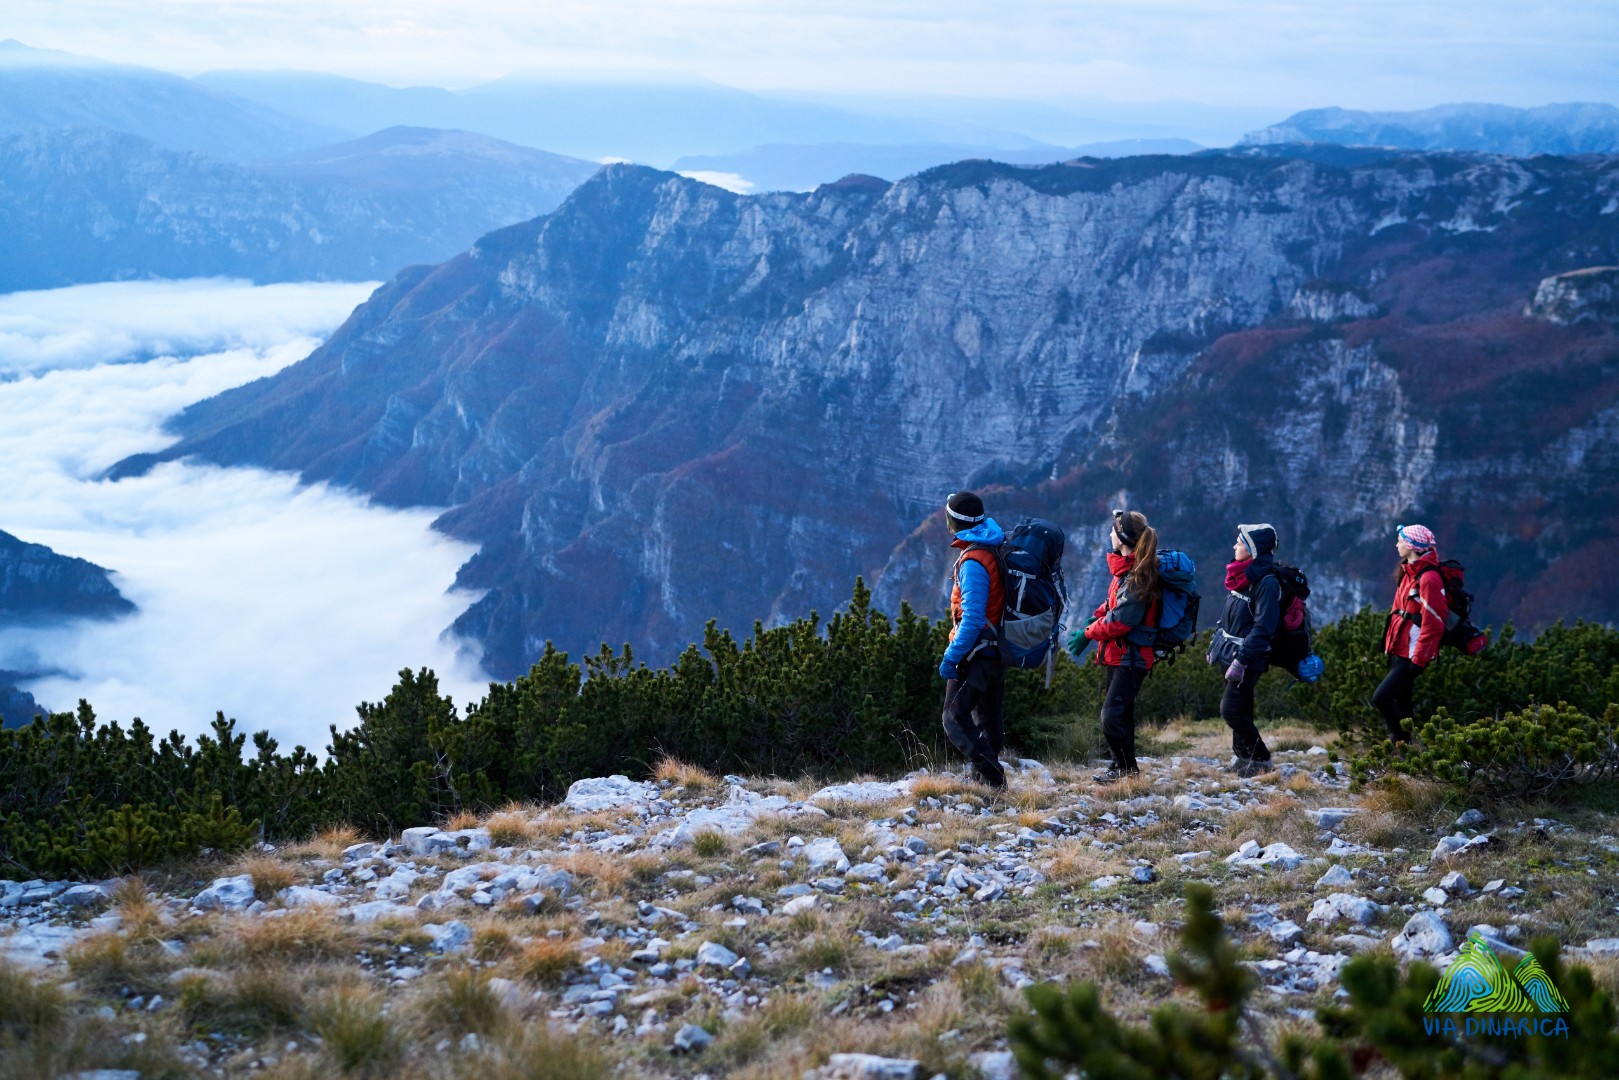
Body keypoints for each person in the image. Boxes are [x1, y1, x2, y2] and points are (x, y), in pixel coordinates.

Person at [1073, 509, 1161, 782]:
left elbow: (1122, 620)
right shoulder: (1125, 571)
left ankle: (1124, 770)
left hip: (1131, 656)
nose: (1110, 534)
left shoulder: (1138, 577)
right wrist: (1096, 616)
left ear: (1122, 538)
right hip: (1118, 653)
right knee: (1122, 715)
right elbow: (1113, 605)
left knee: (1111, 715)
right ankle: (1124, 768)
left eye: (1113, 530)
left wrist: (1088, 633)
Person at [939, 491, 1008, 789]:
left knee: (954, 717)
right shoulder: (994, 546)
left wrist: (952, 656)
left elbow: (973, 619)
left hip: (976, 652)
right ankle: (986, 782)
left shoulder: (972, 562)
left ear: (954, 522)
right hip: (996, 651)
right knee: (987, 715)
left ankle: (993, 777)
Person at [1213, 523, 1280, 777]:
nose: (1234, 546)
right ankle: (1243, 758)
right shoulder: (1243, 575)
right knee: (1242, 707)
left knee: (1230, 709)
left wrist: (1242, 660)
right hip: (1231, 651)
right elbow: (1232, 615)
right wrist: (1217, 641)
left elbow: (1264, 628)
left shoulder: (1267, 582)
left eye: (1239, 543)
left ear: (1252, 549)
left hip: (1249, 656)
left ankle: (1261, 759)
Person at [1374, 524, 1448, 743]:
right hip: (1400, 647)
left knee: (1382, 698)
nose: (1396, 544)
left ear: (1411, 546)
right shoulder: (1408, 571)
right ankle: (1407, 752)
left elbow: (1434, 623)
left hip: (1413, 652)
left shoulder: (1428, 578)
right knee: (1403, 701)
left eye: (1399, 540)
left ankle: (1400, 739)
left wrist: (1421, 657)